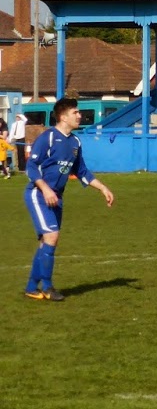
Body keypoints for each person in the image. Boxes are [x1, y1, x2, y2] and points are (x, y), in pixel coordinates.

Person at [23, 98, 116, 302]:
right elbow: (31, 167)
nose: (80, 115)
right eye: (76, 112)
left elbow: (81, 171)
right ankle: (47, 287)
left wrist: (103, 188)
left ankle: (31, 287)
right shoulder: (47, 138)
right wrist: (46, 189)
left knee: (46, 242)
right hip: (38, 194)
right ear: (63, 117)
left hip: (57, 196)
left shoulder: (75, 142)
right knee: (52, 236)